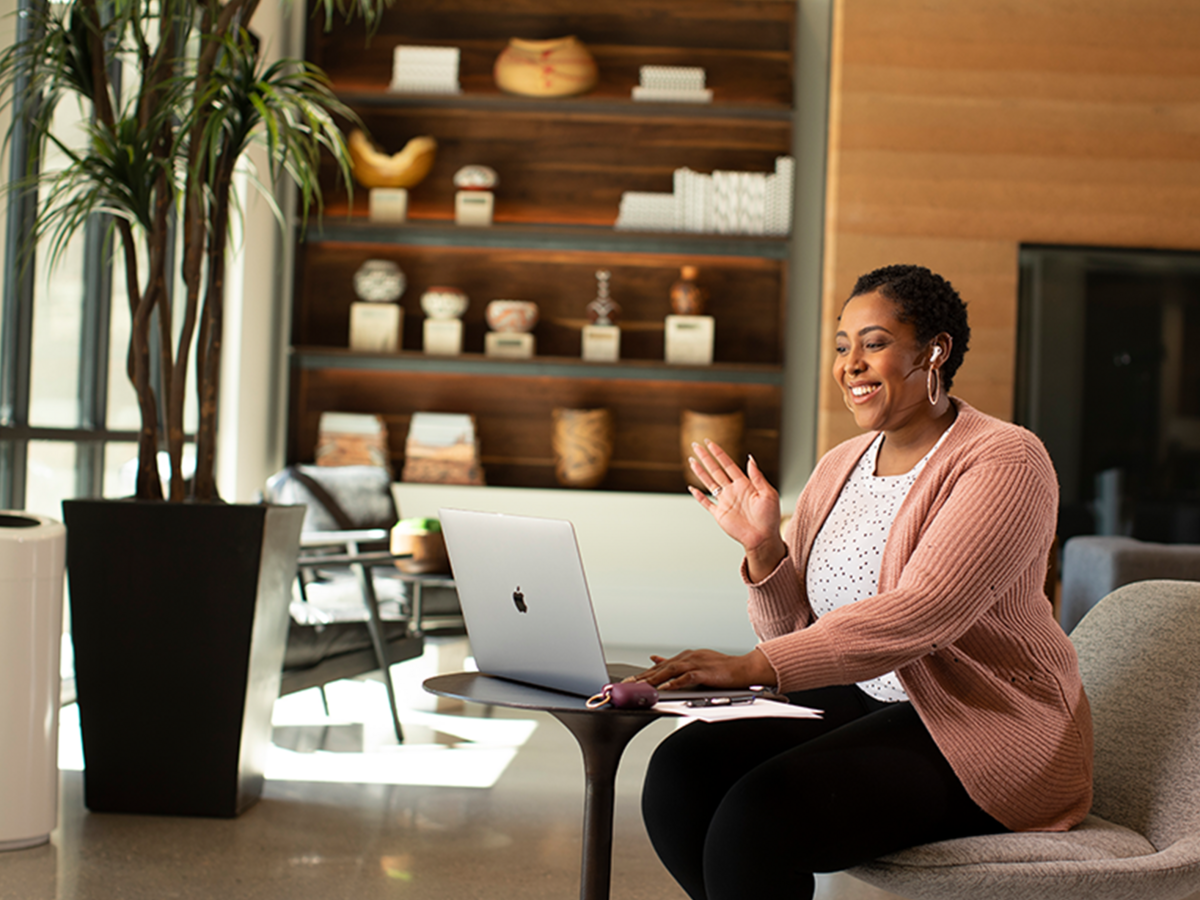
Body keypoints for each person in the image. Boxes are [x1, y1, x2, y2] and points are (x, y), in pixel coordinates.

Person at [633, 264, 1093, 900]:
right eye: (843, 346)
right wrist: (765, 549)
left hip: (985, 725)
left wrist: (753, 667)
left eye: (873, 343)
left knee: (758, 817)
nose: (851, 364)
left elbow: (923, 614)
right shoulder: (840, 464)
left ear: (934, 351)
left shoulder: (1005, 459)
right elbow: (804, 637)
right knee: (682, 772)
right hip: (869, 700)